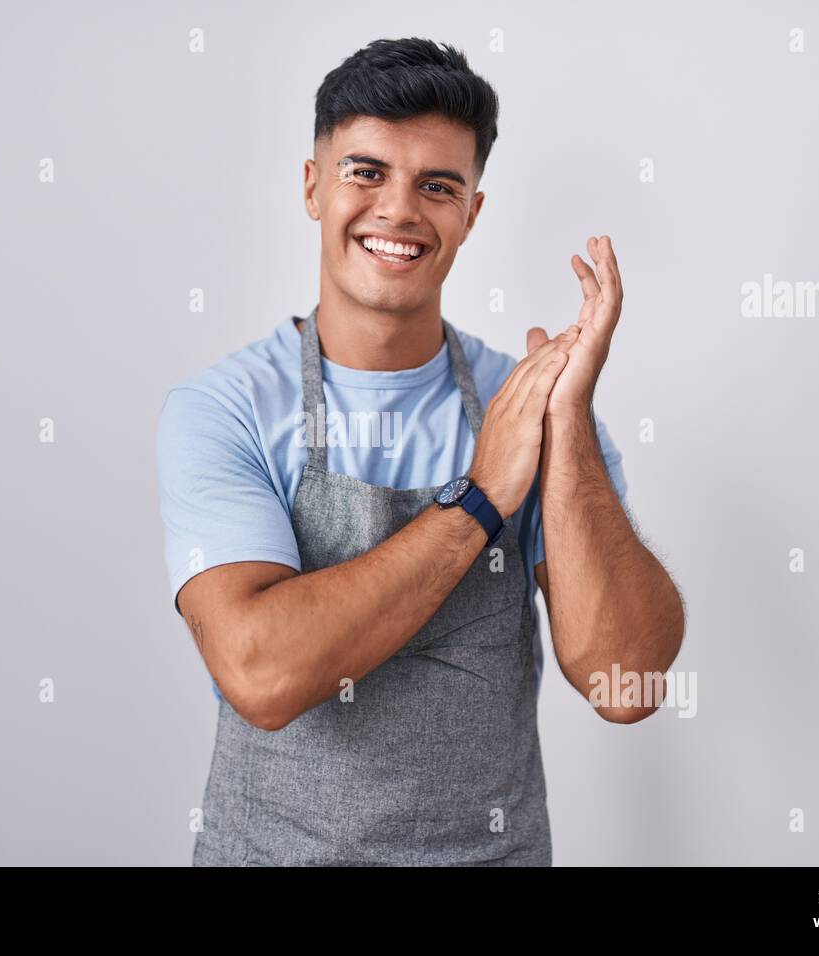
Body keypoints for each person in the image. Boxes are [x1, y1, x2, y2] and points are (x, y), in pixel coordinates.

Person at [156, 37, 685, 866]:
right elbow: (260, 675)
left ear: (471, 213)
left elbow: (631, 682)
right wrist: (479, 500)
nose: (399, 210)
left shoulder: (537, 410)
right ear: (312, 186)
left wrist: (569, 427)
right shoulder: (223, 410)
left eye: (437, 186)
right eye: (366, 171)